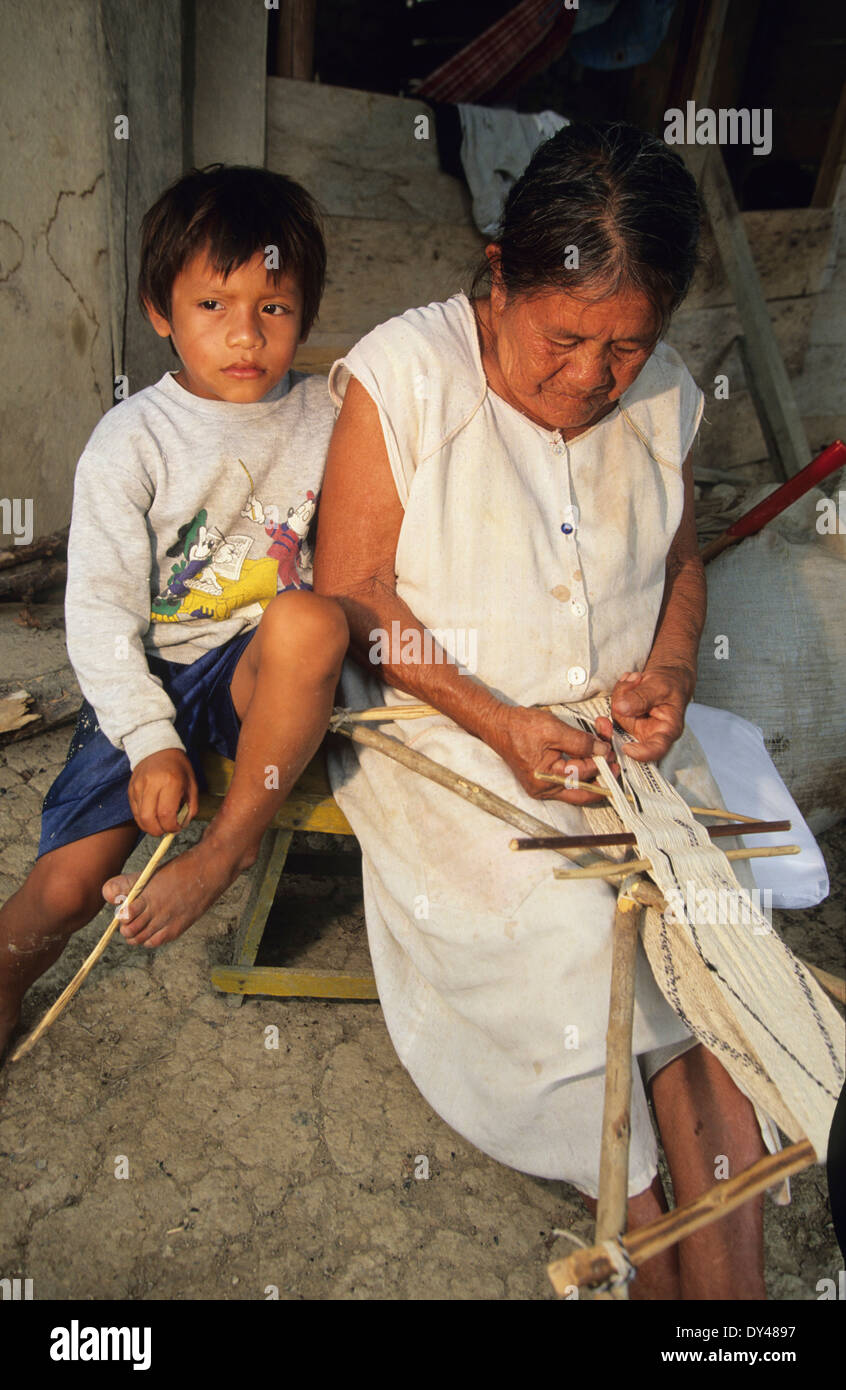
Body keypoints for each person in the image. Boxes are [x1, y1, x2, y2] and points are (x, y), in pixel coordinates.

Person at [314, 121, 768, 1300]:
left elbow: (680, 565)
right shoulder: (406, 374)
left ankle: (733, 1307)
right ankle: (645, 1221)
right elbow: (354, 590)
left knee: (712, 959)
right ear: (499, 269)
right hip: (444, 737)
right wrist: (497, 720)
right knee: (580, 947)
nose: (590, 377)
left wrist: (669, 671)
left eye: (627, 346)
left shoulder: (663, 394)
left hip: (617, 752)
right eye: (564, 336)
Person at [0, 165, 348, 1057]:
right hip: (157, 672)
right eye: (211, 306)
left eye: (273, 307)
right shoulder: (132, 441)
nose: (245, 334)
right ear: (161, 311)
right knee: (69, 888)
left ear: (305, 311)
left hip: (262, 674)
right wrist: (150, 738)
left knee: (307, 620)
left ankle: (221, 854)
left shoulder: (336, 412)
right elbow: (100, 615)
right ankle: (3, 978)